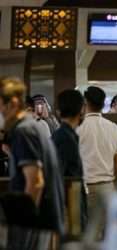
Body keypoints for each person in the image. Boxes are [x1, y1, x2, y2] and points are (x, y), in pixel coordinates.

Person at [0, 77, 64, 249]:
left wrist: (23, 225)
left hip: (33, 222)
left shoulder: (24, 132)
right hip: (40, 220)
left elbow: (35, 182)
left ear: (12, 103)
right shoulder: (31, 127)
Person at [76, 86, 117, 234]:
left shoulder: (77, 129)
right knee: (108, 233)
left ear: (85, 103)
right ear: (103, 104)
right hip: (108, 189)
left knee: (88, 234)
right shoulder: (114, 128)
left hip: (84, 189)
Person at [51, 89, 87, 230]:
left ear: (59, 111)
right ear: (81, 110)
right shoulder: (66, 138)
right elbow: (60, 177)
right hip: (70, 207)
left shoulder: (64, 135)